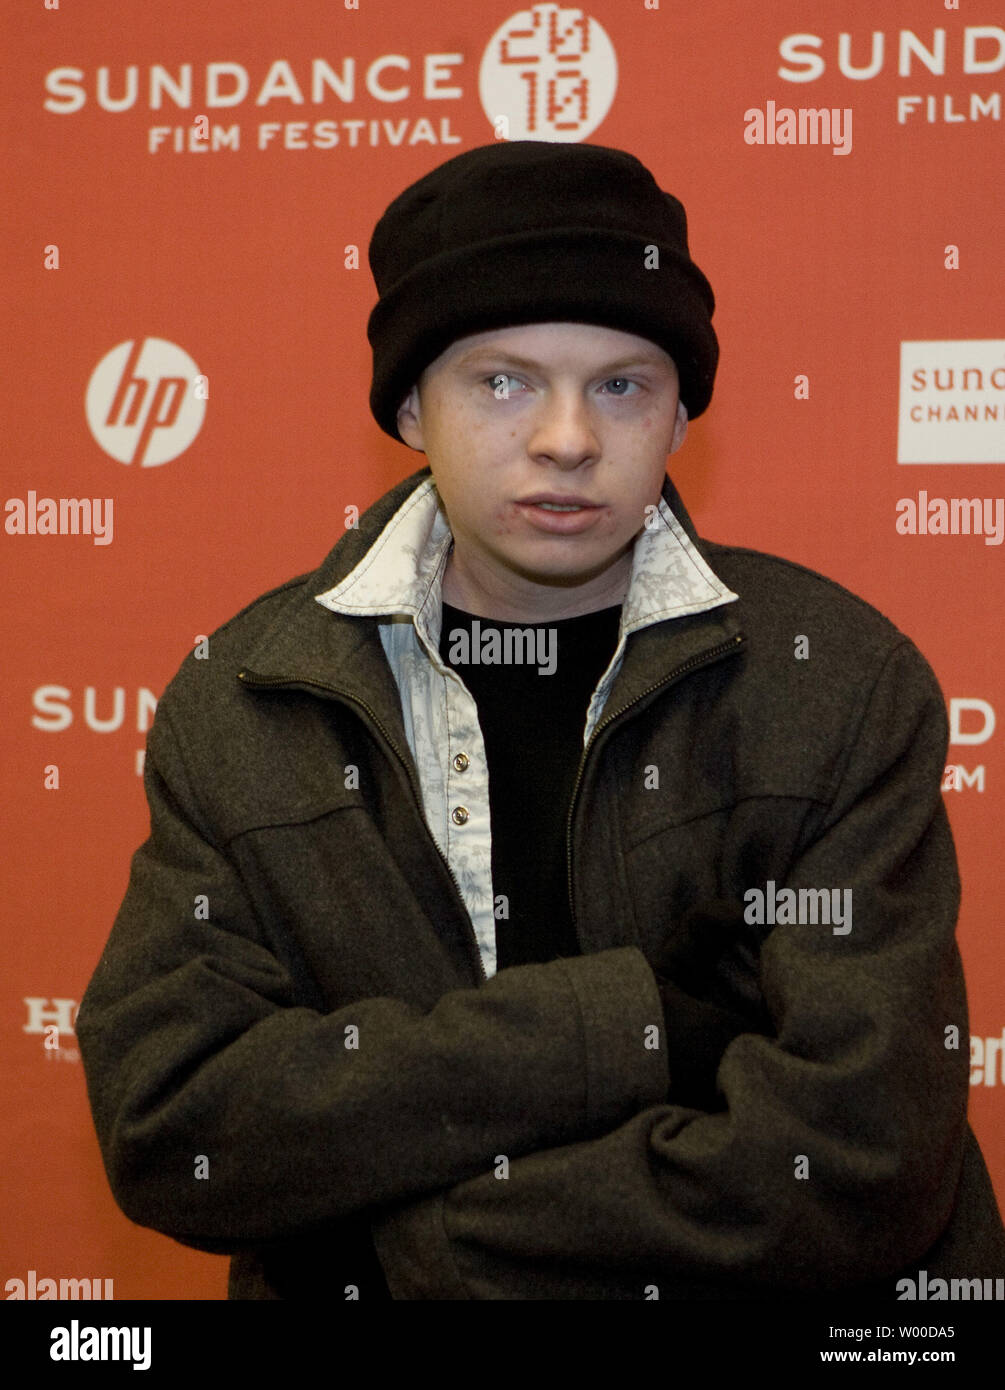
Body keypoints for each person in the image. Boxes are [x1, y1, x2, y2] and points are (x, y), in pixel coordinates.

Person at [77, 140, 1005, 1301]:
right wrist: (625, 1027)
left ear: (680, 416)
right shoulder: (251, 700)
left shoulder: (838, 682)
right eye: (503, 380)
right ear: (412, 404)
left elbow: (859, 1161)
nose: (568, 437)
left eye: (623, 384)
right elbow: (176, 1123)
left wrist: (433, 1244)